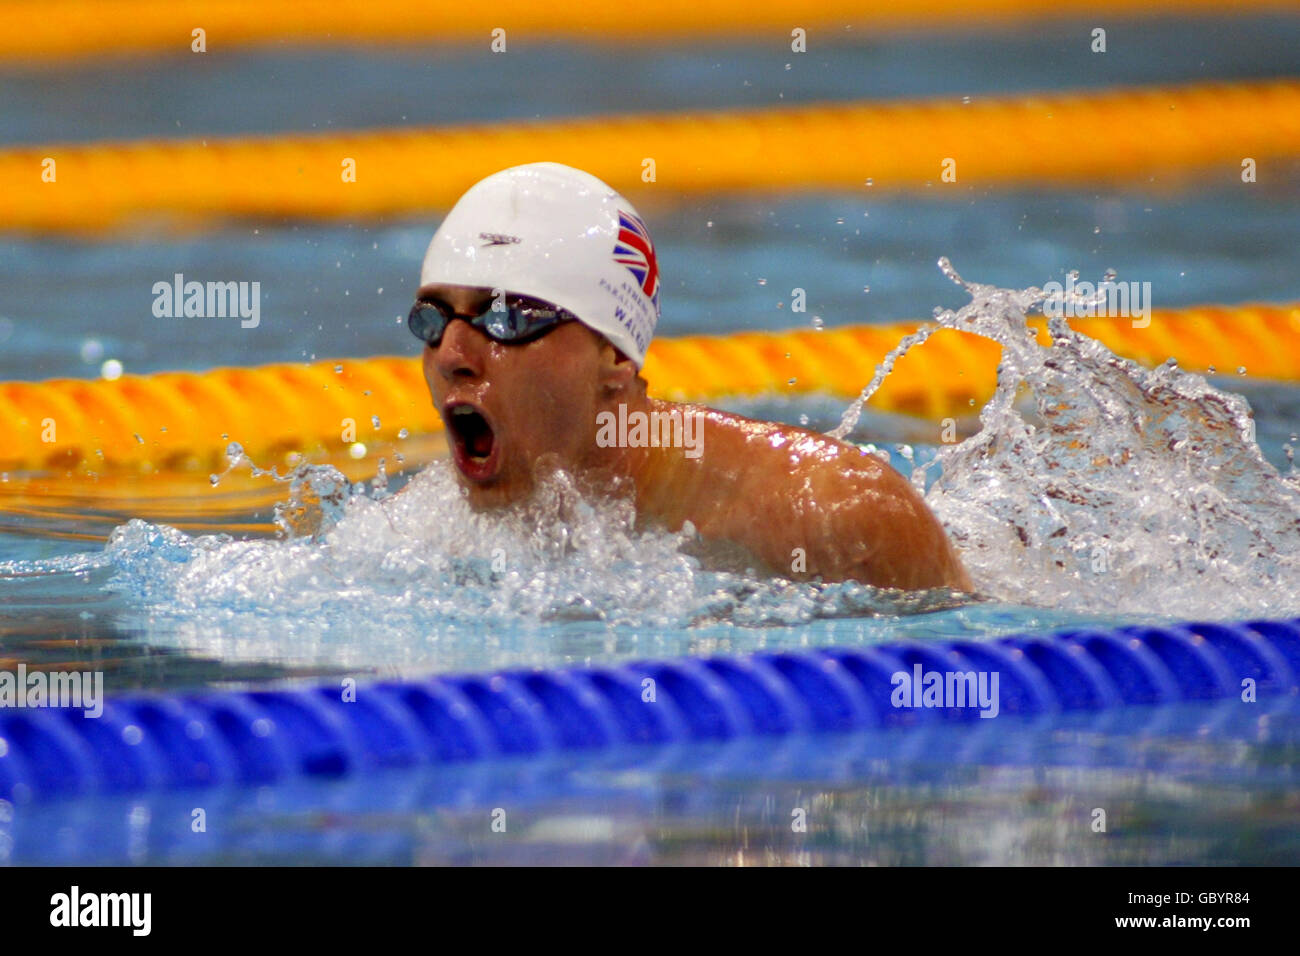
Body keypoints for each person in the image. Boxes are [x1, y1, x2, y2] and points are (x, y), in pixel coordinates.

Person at [410, 162, 971, 591]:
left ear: (614, 357)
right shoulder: (419, 531)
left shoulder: (833, 515)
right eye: (433, 318)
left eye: (507, 318)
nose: (452, 353)